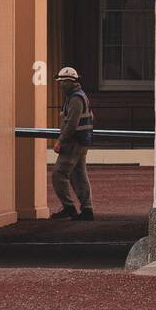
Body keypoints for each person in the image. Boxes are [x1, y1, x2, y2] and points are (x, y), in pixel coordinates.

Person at [50, 66, 96, 221]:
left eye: (62, 82)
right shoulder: (79, 96)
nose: (60, 85)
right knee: (79, 176)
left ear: (70, 82)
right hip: (82, 141)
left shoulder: (75, 98)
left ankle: (69, 208)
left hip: (73, 142)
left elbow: (71, 123)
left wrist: (60, 140)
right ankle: (87, 209)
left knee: (58, 174)